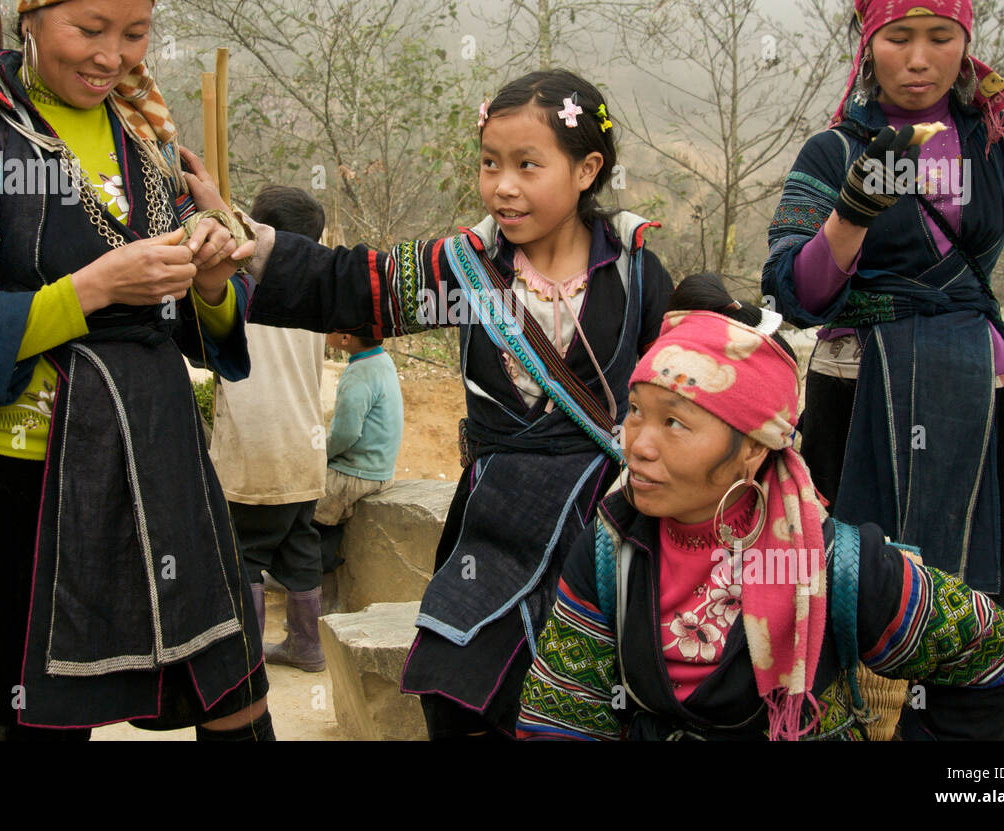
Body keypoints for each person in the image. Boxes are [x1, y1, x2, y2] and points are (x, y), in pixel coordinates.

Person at [0, 0, 270, 741]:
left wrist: (210, 280)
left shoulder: (148, 146)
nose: (112, 56)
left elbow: (201, 318)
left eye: (134, 32)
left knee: (235, 700)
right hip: (22, 488)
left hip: (159, 461)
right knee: (28, 714)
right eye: (89, 30)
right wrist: (95, 288)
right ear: (27, 10)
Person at [197, 69, 674, 738]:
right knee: (457, 685)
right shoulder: (467, 268)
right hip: (497, 521)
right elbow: (357, 284)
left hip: (603, 523)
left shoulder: (636, 270)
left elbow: (679, 387)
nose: (501, 184)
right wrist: (254, 245)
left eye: (526, 164)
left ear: (587, 168)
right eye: (489, 163)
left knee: (595, 697)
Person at [762, 0, 1004, 610]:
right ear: (868, 43)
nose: (920, 59)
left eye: (941, 36)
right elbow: (792, 293)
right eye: (898, 37)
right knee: (851, 583)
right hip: (861, 390)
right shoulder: (834, 151)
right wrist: (853, 213)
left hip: (967, 393)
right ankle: (855, 709)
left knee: (958, 589)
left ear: (966, 41)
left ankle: (947, 704)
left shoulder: (996, 141)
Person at [516, 274, 1004, 741]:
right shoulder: (611, 550)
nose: (638, 445)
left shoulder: (837, 567)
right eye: (634, 413)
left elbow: (992, 651)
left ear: (753, 447)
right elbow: (565, 710)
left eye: (674, 423)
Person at [208, 184, 329, 672]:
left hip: (253, 448)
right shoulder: (319, 291)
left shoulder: (239, 284)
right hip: (304, 448)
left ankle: (246, 657)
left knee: (244, 551)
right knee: (300, 547)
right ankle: (308, 645)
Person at [313, 329, 404, 610]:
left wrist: (319, 457)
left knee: (301, 509)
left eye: (331, 327)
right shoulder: (381, 361)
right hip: (379, 470)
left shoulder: (357, 375)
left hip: (354, 474)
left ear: (345, 339)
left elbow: (345, 434)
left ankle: (317, 599)